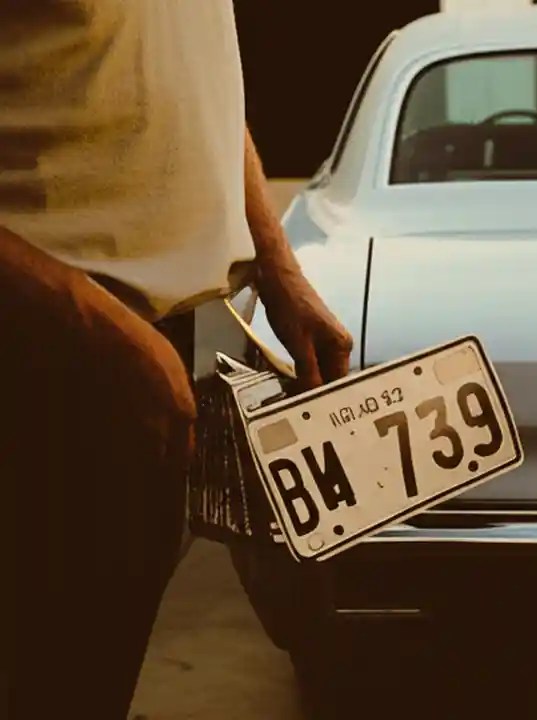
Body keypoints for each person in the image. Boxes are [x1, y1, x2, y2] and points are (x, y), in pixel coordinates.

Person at [0, 2, 353, 717]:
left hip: (151, 350)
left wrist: (277, 267)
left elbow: (200, 89)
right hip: (38, 353)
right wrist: (92, 322)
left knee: (88, 672)